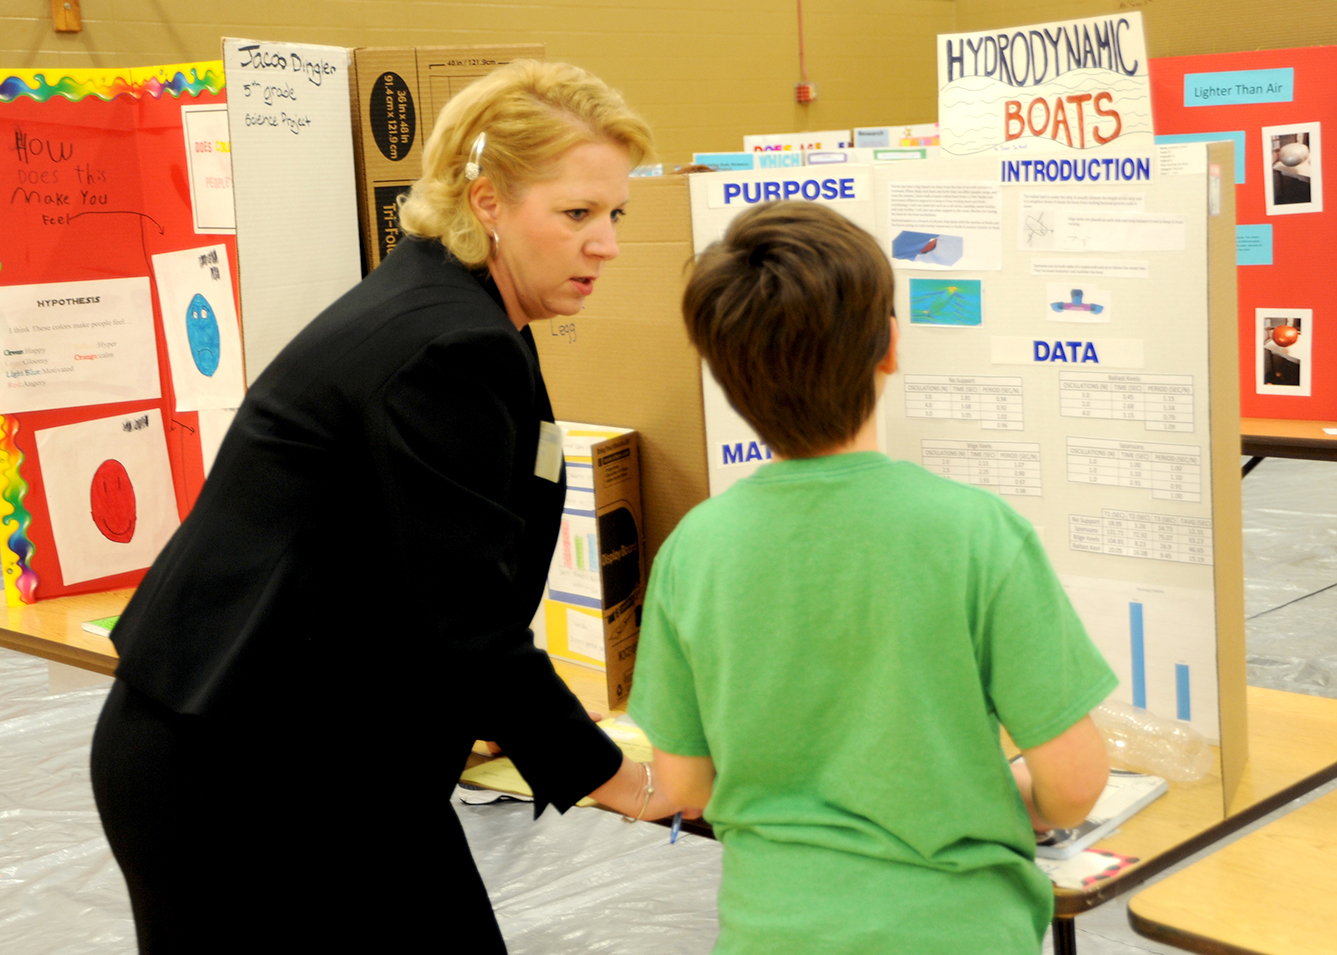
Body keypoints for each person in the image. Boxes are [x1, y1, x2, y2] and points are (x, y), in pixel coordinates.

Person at [90, 60, 677, 953]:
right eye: (576, 214)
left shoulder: (440, 304)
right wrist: (618, 779)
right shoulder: (450, 343)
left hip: (279, 748)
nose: (606, 244)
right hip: (240, 772)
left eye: (614, 214)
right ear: (485, 202)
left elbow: (390, 557)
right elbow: (464, 619)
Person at [629, 201, 1117, 954]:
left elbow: (685, 788)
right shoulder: (974, 531)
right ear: (889, 345)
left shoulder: (695, 548)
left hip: (770, 930)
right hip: (957, 930)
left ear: (726, 373)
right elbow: (1074, 781)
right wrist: (1005, 797)